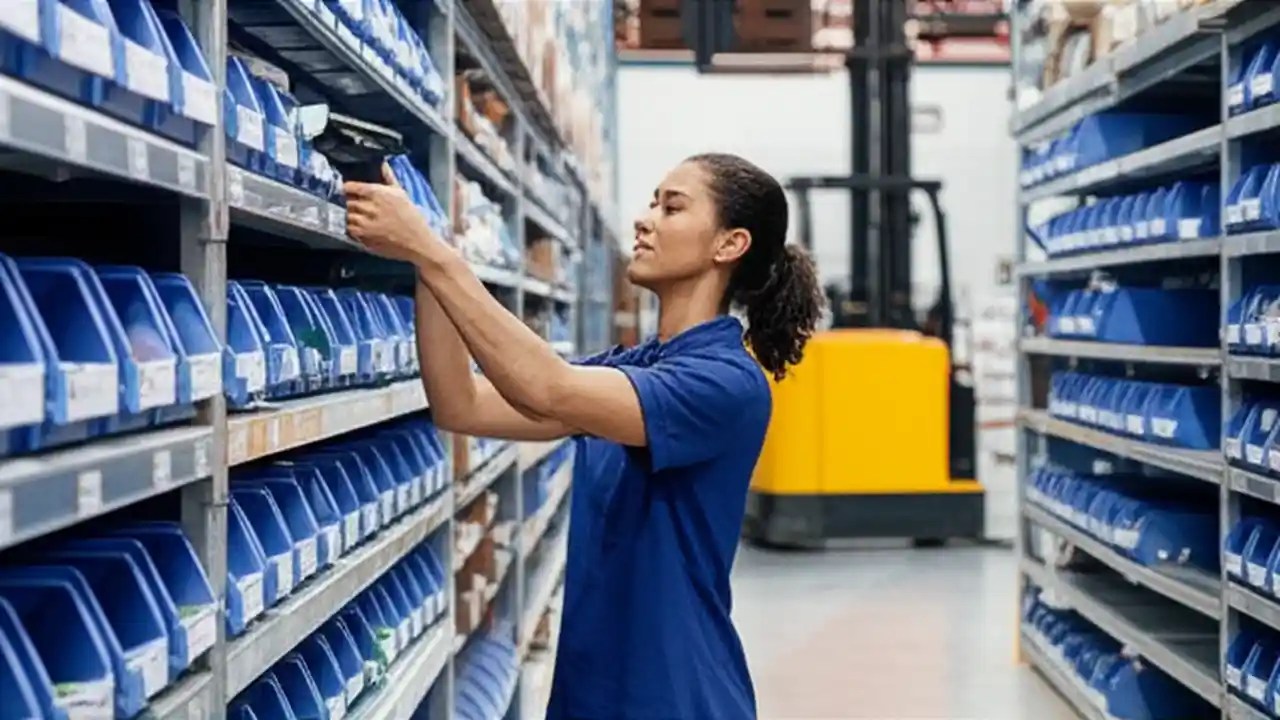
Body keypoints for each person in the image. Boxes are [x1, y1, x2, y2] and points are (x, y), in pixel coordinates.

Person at [344, 152, 824, 719]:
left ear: (729, 244)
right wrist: (424, 264)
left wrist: (435, 252)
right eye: (651, 203)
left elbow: (548, 387)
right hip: (592, 692)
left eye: (671, 207)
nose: (645, 220)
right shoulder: (637, 365)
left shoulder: (725, 383)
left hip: (673, 696)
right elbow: (462, 404)